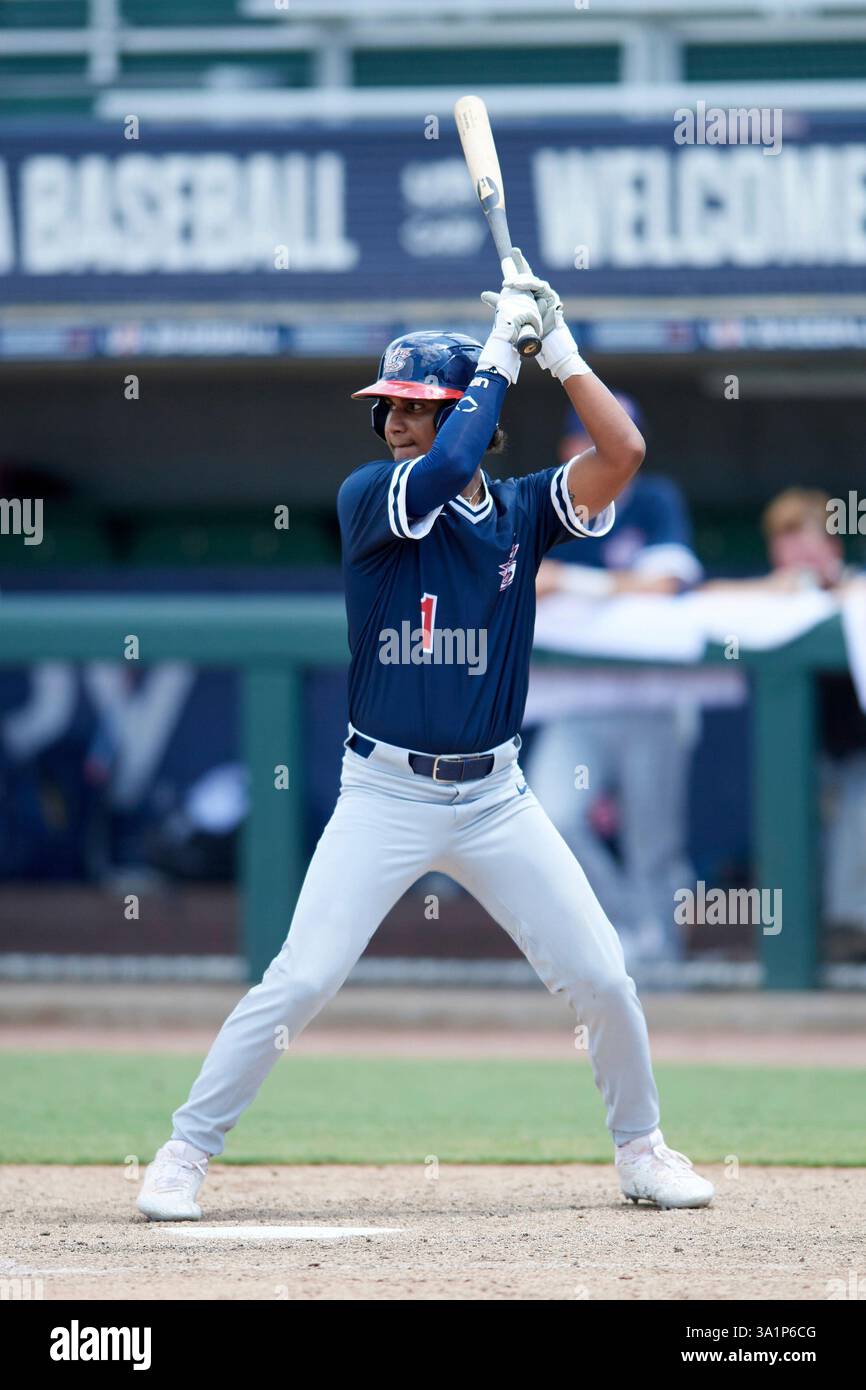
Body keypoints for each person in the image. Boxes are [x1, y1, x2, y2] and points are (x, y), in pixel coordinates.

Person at [137, 256, 714, 1220]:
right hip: (386, 794)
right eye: (392, 409)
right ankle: (184, 1153)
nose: (398, 423)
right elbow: (445, 470)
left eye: (419, 407)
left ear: (467, 417)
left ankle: (642, 1150)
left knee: (604, 976)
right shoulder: (374, 495)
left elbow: (624, 455)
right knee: (303, 978)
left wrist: (560, 351)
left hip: (496, 796)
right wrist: (497, 351)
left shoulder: (523, 508)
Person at [528, 405, 703, 963]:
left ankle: (665, 962)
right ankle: (630, 933)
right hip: (577, 700)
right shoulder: (549, 503)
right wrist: (605, 589)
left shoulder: (654, 500)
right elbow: (525, 583)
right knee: (549, 820)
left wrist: (575, 583)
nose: (599, 448)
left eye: (611, 438)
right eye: (586, 438)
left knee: (654, 845)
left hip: (653, 698)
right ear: (566, 450)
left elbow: (666, 584)